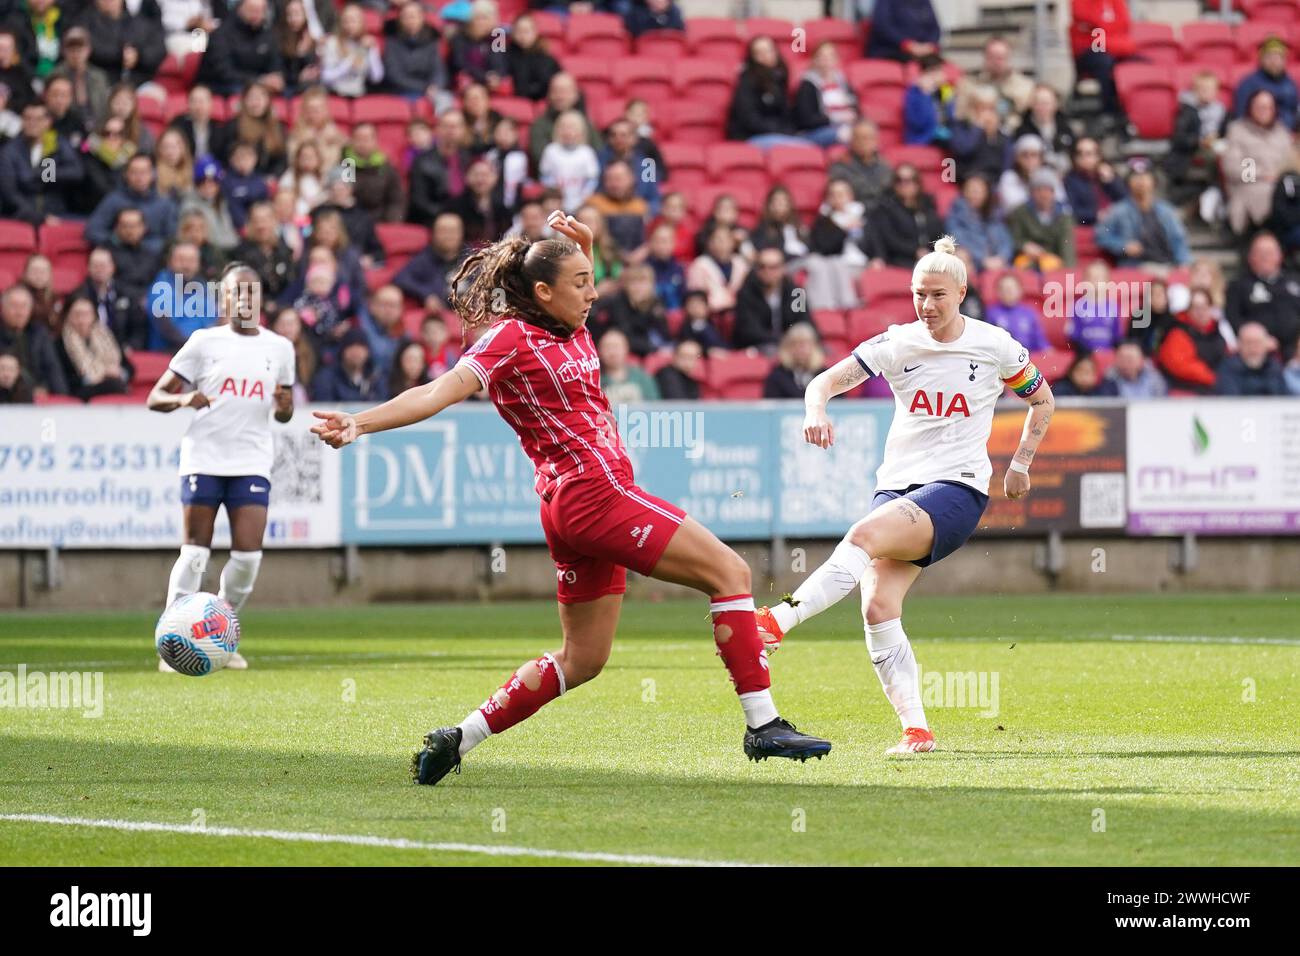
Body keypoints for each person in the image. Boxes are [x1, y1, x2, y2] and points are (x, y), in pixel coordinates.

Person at [311, 210, 833, 784]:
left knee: (583, 659)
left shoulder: (570, 324)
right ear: (542, 292)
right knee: (731, 573)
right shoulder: (509, 340)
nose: (591, 293)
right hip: (597, 492)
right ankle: (763, 725)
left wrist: (584, 248)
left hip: (568, 506)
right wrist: (361, 423)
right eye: (581, 283)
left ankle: (459, 737)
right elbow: (439, 390)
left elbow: (577, 292)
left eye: (592, 279)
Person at [756, 236, 1055, 755]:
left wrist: (1021, 464)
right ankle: (917, 730)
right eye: (919, 294)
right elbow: (821, 383)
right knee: (877, 606)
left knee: (864, 536)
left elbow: (1043, 400)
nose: (927, 305)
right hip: (897, 485)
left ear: (962, 292)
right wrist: (815, 411)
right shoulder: (897, 343)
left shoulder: (995, 345)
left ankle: (775, 622)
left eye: (938, 294)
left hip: (957, 488)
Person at [148, 263, 296, 671]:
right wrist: (183, 400)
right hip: (204, 457)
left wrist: (286, 408)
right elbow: (155, 396)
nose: (246, 299)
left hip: (251, 460)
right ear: (224, 299)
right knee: (195, 553)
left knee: (248, 559)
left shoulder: (280, 348)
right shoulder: (203, 342)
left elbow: (283, 412)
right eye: (237, 292)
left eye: (253, 291)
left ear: (261, 299)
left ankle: (218, 634)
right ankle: (173, 642)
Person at [1222, 90, 1296, 238]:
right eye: (1259, 107)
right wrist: (1263, 174)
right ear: (1250, 108)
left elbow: (1292, 163)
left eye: (1268, 107)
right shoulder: (1238, 131)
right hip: (1249, 184)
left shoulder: (1282, 132)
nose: (1264, 111)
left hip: (1282, 183)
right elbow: (1233, 168)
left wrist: (1281, 175)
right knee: (1265, 192)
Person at [1096, 163, 1191, 268]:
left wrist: (1183, 263)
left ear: (1153, 182)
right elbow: (1101, 236)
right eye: (1135, 177)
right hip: (1134, 267)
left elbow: (1178, 240)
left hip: (1167, 265)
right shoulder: (1119, 211)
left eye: (1145, 177)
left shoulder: (1166, 211)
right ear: (1128, 183)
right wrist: (1123, 246)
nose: (1141, 181)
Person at [1224, 231, 1300, 359]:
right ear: (1250, 257)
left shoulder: (1295, 282)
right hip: (1257, 352)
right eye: (1260, 253)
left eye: (1269, 253)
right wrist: (1257, 340)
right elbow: (1233, 318)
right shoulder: (1239, 286)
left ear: (1280, 255)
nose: (1265, 257)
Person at [725, 35, 802, 148]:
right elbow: (749, 119)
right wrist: (778, 130)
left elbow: (784, 113)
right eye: (759, 53)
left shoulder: (779, 77)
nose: (766, 56)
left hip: (775, 134)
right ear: (752, 57)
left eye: (769, 50)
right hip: (750, 137)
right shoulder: (747, 80)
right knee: (799, 148)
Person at [196, 0, 285, 96]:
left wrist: (275, 79)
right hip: (221, 88)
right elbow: (224, 73)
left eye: (261, 10)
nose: (257, 14)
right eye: (252, 10)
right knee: (244, 92)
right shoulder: (221, 34)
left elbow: (275, 64)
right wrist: (259, 80)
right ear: (240, 9)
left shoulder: (268, 35)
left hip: (257, 87)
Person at [1155, 287, 1229, 394]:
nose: (1200, 312)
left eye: (1204, 307)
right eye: (1196, 308)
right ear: (1188, 311)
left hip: (1216, 389)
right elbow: (1180, 365)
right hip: (1186, 391)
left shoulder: (1217, 332)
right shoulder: (1178, 333)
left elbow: (1226, 359)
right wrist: (1213, 378)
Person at [0, 284, 68, 396]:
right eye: (14, 305)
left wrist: (62, 398)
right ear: (3, 307)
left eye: (24, 306)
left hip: (39, 396)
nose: (19, 311)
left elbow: (52, 368)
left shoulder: (39, 333)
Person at [733, 247, 805, 352]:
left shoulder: (797, 293)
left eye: (773, 267)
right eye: (762, 267)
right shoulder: (746, 293)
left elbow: (804, 321)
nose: (767, 271)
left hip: (792, 345)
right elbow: (749, 331)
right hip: (760, 346)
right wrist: (784, 340)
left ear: (783, 268)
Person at [60, 295, 130, 400]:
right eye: (77, 314)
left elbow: (129, 368)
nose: (82, 319)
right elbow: (64, 378)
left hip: (113, 382)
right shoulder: (60, 342)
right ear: (68, 316)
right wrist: (101, 374)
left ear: (94, 316)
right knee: (114, 385)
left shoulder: (105, 335)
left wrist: (119, 372)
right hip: (81, 390)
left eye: (87, 314)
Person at [794, 42, 859, 147]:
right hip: (816, 132)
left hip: (845, 127)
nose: (827, 60)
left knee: (866, 131)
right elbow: (806, 120)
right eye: (822, 56)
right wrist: (835, 118)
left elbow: (854, 105)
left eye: (831, 56)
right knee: (851, 136)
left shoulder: (842, 81)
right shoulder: (808, 84)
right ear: (814, 60)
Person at [944, 173, 1011, 271]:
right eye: (972, 190)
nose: (975, 194)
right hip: (973, 263)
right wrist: (983, 259)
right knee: (960, 256)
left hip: (996, 262)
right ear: (964, 192)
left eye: (979, 190)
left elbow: (1006, 240)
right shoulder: (956, 214)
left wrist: (1002, 258)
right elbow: (958, 240)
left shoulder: (994, 214)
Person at [1233, 36, 1298, 130]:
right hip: (1257, 135)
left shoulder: (1290, 85)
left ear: (1284, 61)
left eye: (1278, 57)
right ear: (1261, 60)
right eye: (1269, 57)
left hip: (1287, 136)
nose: (1274, 62)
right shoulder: (1248, 84)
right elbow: (1240, 116)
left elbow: (1295, 111)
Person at [829, 119, 892, 209]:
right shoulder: (840, 167)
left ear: (877, 140)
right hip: (854, 215)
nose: (865, 143)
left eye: (870, 138)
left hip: (884, 216)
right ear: (852, 141)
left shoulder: (886, 167)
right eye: (860, 138)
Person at [1063, 137, 1126, 226]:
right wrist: (1095, 215)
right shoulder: (1070, 181)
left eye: (1088, 154)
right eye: (1079, 154)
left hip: (1116, 223)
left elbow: (1125, 200)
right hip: (1090, 226)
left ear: (1098, 156)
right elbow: (1071, 211)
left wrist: (1111, 181)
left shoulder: (1109, 174)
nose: (1083, 158)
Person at [311, 327, 384, 400]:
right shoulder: (327, 378)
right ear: (342, 351)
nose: (356, 351)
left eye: (360, 346)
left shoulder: (376, 377)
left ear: (368, 352)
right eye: (351, 346)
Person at [1216, 321, 1289, 396]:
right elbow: (1230, 400)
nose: (1253, 348)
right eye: (1248, 343)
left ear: (1266, 345)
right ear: (1239, 345)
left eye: (1257, 343)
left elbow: (1284, 398)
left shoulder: (1275, 368)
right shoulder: (1228, 369)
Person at [985, 272, 1048, 350]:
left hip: (1030, 357)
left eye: (1012, 288)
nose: (1009, 292)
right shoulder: (990, 313)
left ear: (1020, 290)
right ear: (998, 292)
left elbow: (1041, 343)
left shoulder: (1029, 313)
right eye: (1004, 289)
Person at [597, 326, 660, 403]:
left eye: (616, 347)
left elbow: (655, 406)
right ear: (599, 351)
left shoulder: (642, 377)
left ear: (626, 349)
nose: (612, 352)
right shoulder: (594, 380)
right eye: (607, 347)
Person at [762, 322, 826, 398]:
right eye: (795, 344)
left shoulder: (825, 376)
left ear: (814, 347)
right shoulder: (777, 377)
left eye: (805, 344)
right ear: (787, 348)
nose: (801, 349)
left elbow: (839, 404)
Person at [866, 0, 941, 63]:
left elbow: (935, 28)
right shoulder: (885, 2)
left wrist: (930, 45)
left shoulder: (924, 2)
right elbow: (882, 26)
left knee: (940, 67)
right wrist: (909, 45)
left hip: (924, 51)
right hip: (892, 51)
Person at [1050, 349, 1118, 397]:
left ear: (1095, 374)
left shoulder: (1105, 390)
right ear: (1071, 373)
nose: (1083, 376)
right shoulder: (1060, 389)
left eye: (1087, 372)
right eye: (1080, 371)